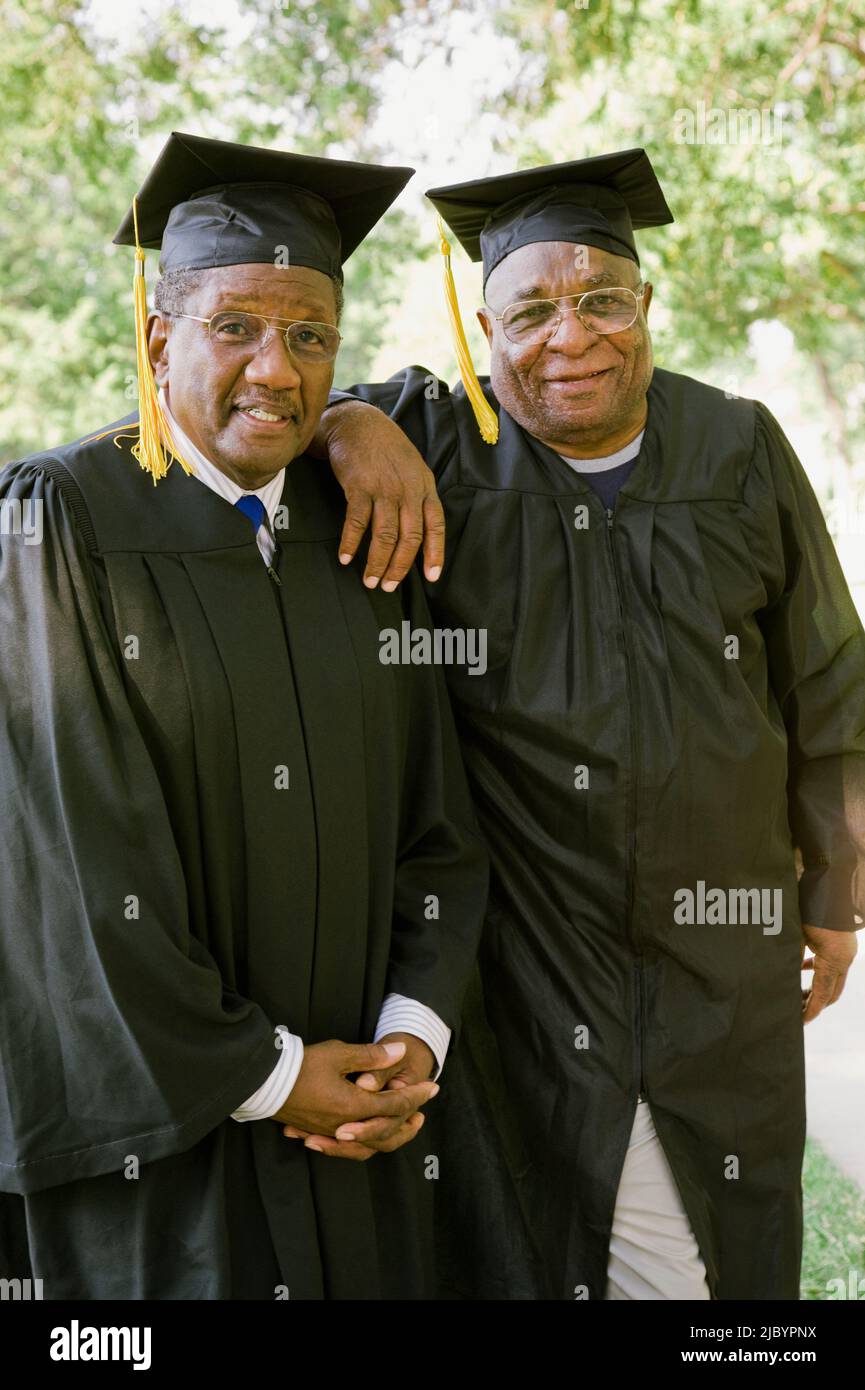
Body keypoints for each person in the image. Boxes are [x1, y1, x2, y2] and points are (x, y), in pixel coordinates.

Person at [309, 148, 865, 1300]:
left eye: (601, 299)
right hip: (530, 949)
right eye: (531, 311)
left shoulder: (738, 446)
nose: (570, 337)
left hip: (722, 944)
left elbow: (826, 683)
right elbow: (222, 415)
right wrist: (343, 420)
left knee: (731, 1238)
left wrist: (830, 898)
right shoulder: (435, 441)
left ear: (646, 305)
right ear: (483, 327)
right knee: (548, 1224)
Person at [0, 131, 488, 1300]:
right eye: (236, 328)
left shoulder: (366, 527)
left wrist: (408, 1039)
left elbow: (440, 822)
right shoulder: (61, 517)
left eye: (310, 336)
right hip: (164, 1139)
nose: (277, 368)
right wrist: (271, 1075)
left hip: (360, 1121)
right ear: (160, 337)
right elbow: (69, 859)